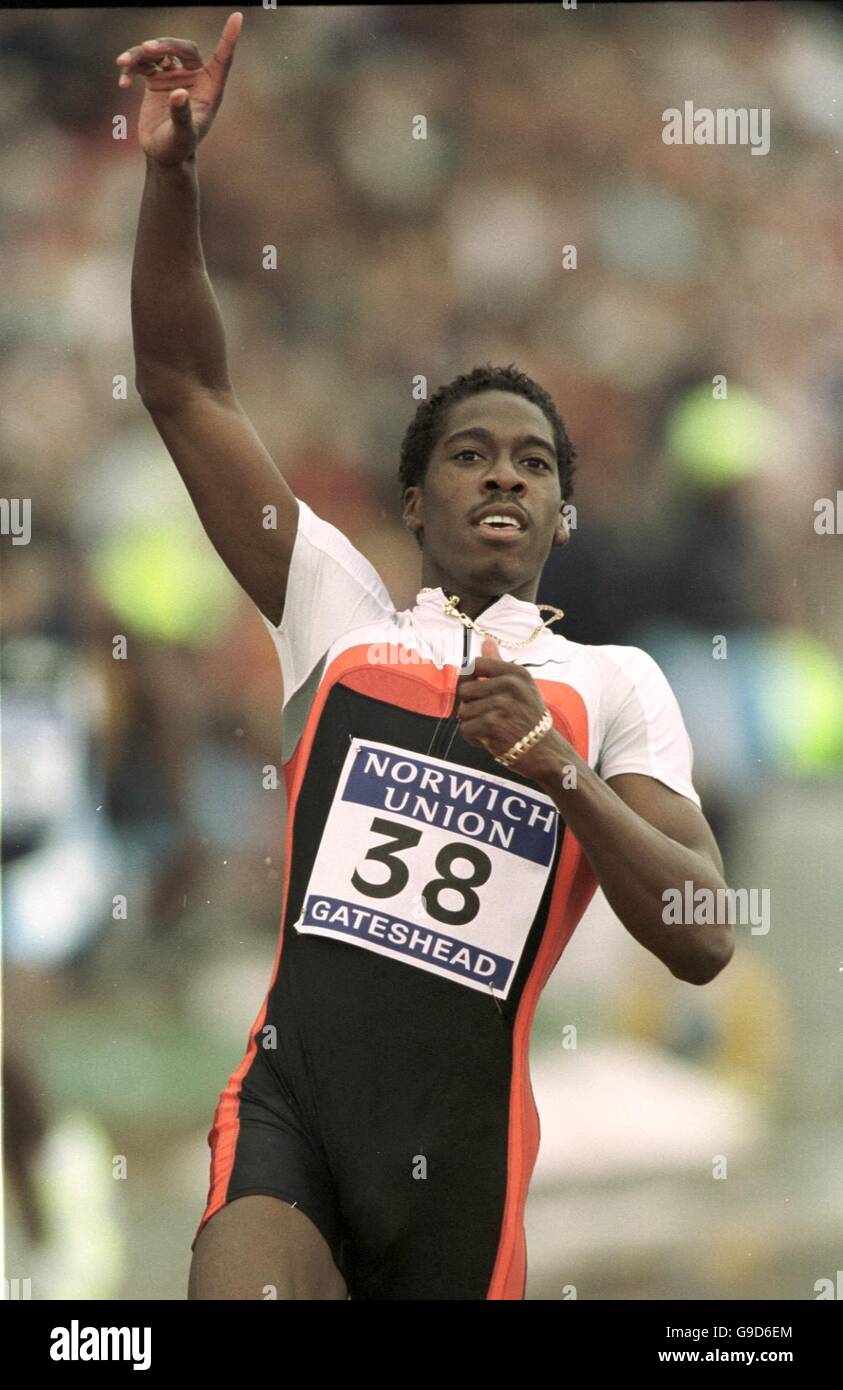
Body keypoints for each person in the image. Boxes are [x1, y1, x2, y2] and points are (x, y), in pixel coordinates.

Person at [119, 11, 733, 1300]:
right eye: (469, 453)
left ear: (564, 513)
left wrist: (563, 774)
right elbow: (186, 387)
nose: (503, 474)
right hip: (290, 1110)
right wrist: (173, 181)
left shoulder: (616, 687)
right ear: (414, 503)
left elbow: (703, 936)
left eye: (534, 463)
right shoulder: (335, 611)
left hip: (461, 1161)